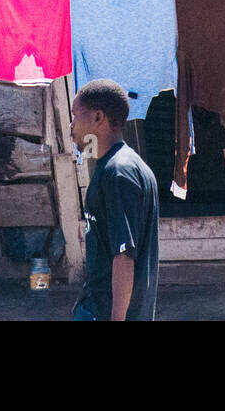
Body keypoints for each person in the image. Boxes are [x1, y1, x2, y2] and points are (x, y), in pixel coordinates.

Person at [69, 79, 159, 321]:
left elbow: (124, 254)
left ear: (98, 117)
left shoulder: (117, 172)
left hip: (104, 312)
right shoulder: (129, 166)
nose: (71, 125)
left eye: (75, 116)